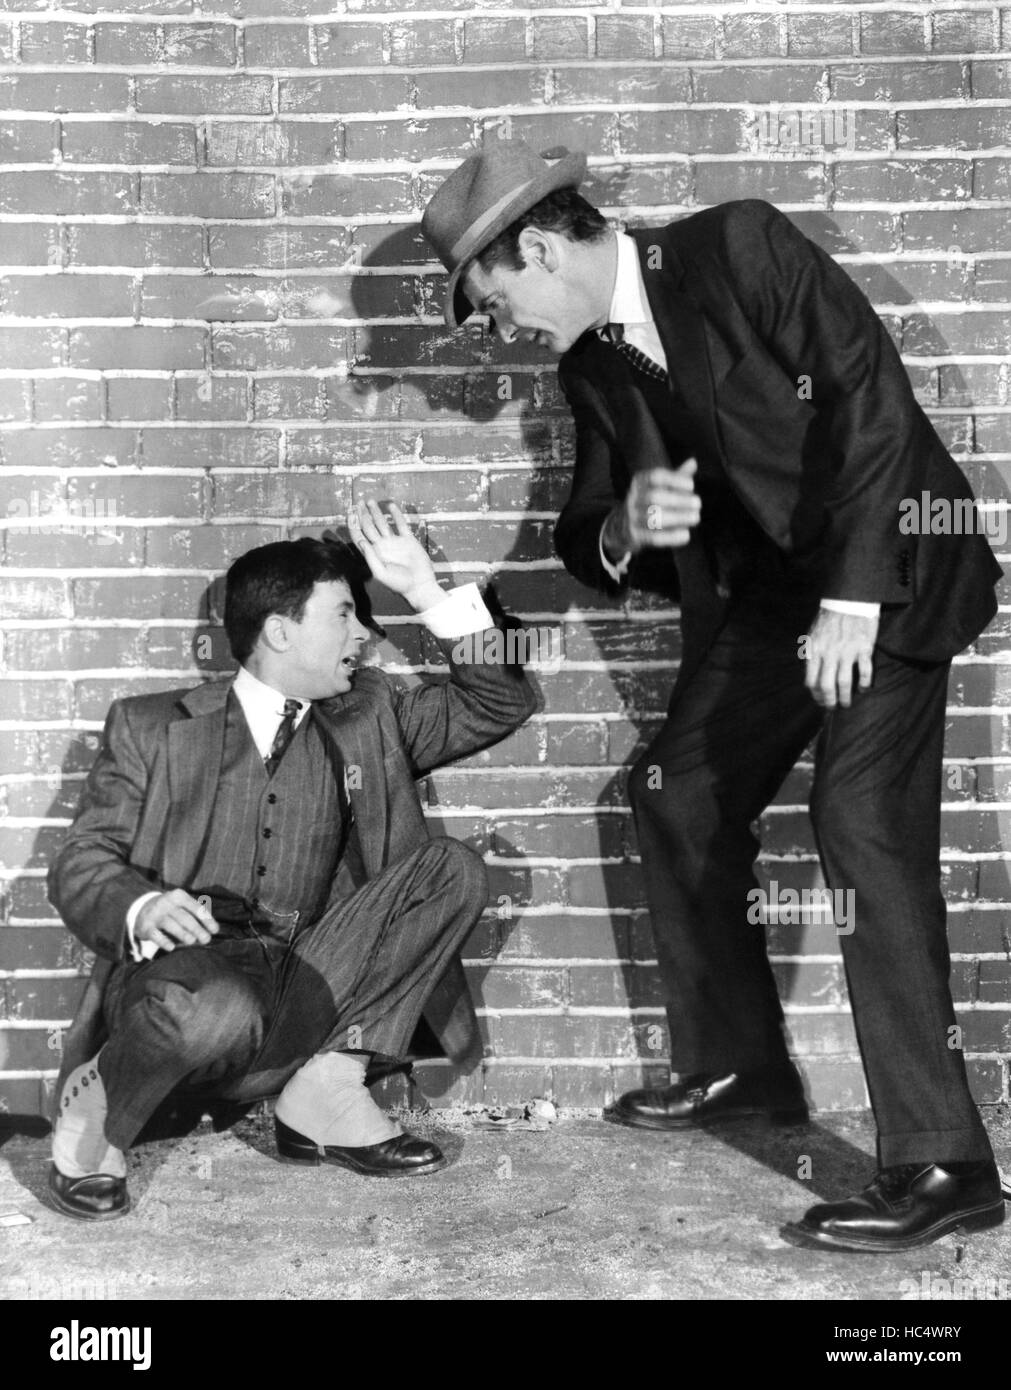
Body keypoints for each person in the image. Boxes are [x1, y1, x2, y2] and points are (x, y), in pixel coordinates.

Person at [421, 139, 1007, 1251]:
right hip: (773, 603)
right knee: (673, 789)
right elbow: (588, 532)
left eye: (494, 304)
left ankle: (947, 1162)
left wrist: (854, 596)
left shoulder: (740, 246)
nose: (502, 335)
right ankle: (741, 1067)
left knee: (860, 821)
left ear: (539, 248)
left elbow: (870, 403)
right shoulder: (592, 369)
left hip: (893, 570)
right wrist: (623, 528)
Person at [46, 501, 536, 1220]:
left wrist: (428, 593)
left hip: (311, 980)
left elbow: (501, 700)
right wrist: (143, 905)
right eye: (343, 615)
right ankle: (100, 1107)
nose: (364, 634)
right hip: (184, 993)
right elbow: (82, 860)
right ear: (279, 630)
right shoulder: (152, 726)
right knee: (213, 1005)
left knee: (450, 868)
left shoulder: (372, 716)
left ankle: (325, 1089)